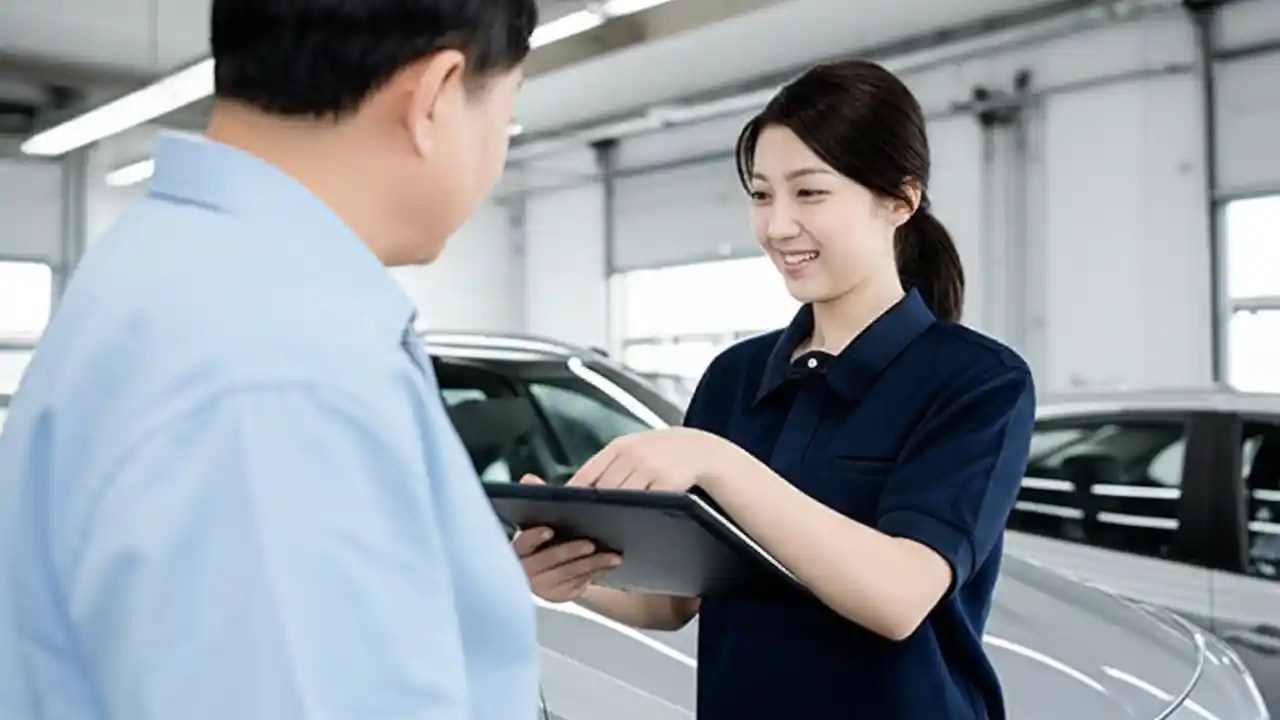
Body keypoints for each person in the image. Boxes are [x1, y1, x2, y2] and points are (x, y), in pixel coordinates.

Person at [0, 1, 541, 718]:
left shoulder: (174, 273)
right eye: (505, 115)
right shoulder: (279, 371)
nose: (498, 149)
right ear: (436, 97)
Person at [514, 59, 1036, 720]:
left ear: (900, 201)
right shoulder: (737, 377)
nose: (777, 225)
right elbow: (675, 601)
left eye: (809, 193)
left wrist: (718, 462)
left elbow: (900, 597)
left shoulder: (977, 382)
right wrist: (570, 576)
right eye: (762, 195)